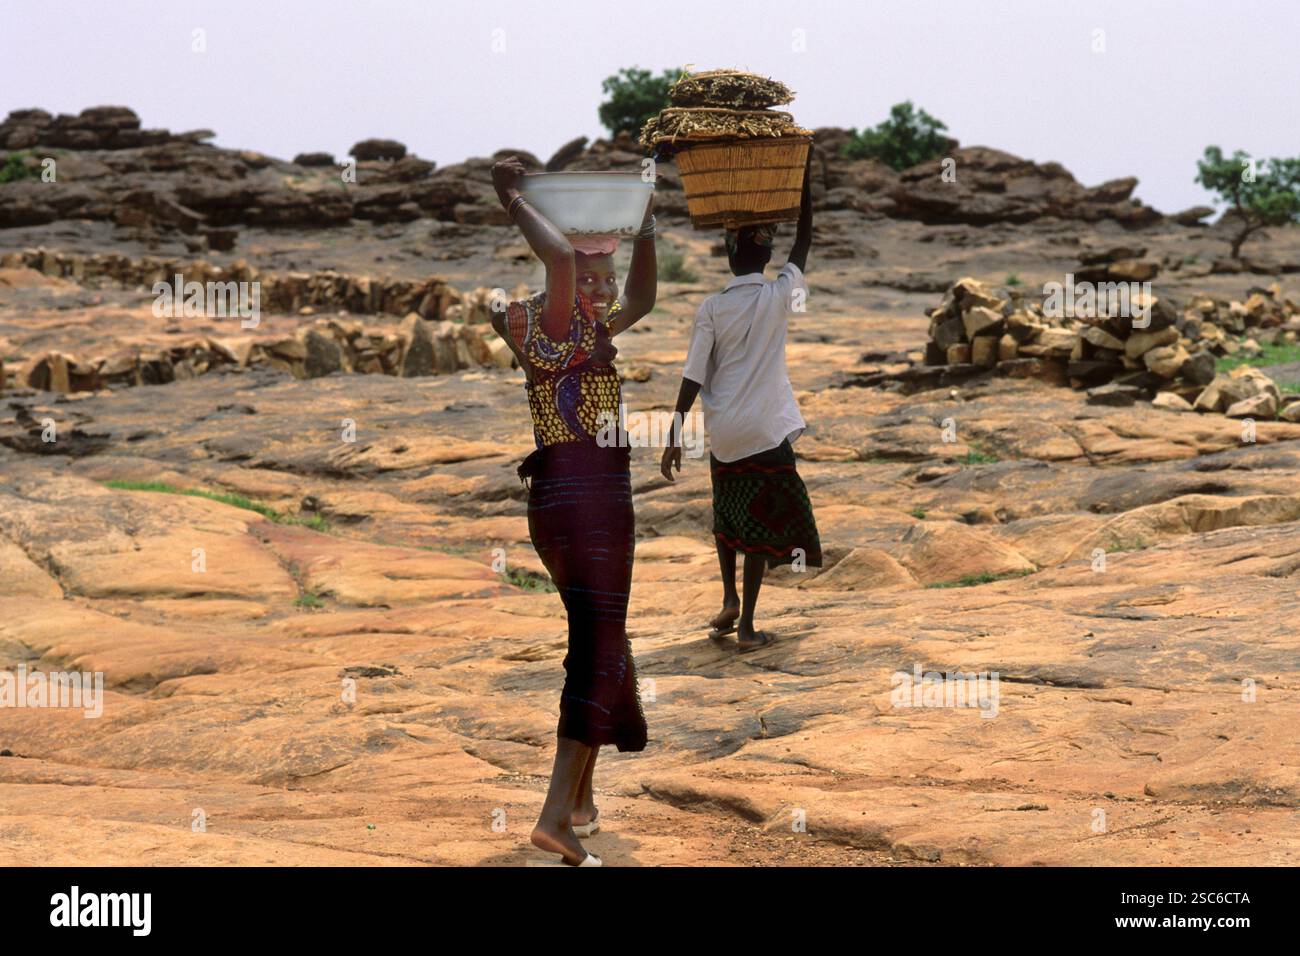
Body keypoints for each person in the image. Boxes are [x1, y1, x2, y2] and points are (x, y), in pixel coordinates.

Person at [489, 156, 657, 866]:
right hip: (578, 502)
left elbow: (644, 296)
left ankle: (582, 801)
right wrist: (515, 198)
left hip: (592, 501)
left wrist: (647, 224)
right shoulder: (553, 325)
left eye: (602, 278)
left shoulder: (591, 329)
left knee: (604, 639)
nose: (596, 288)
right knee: (596, 649)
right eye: (584, 279)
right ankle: (553, 817)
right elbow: (558, 254)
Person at [660, 154, 822, 651]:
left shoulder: (712, 306)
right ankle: (747, 625)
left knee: (727, 514)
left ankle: (729, 597)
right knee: (757, 523)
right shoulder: (777, 296)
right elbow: (805, 239)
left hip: (725, 431)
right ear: (763, 258)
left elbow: (693, 373)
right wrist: (802, 177)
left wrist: (673, 434)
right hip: (765, 431)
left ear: (729, 258)